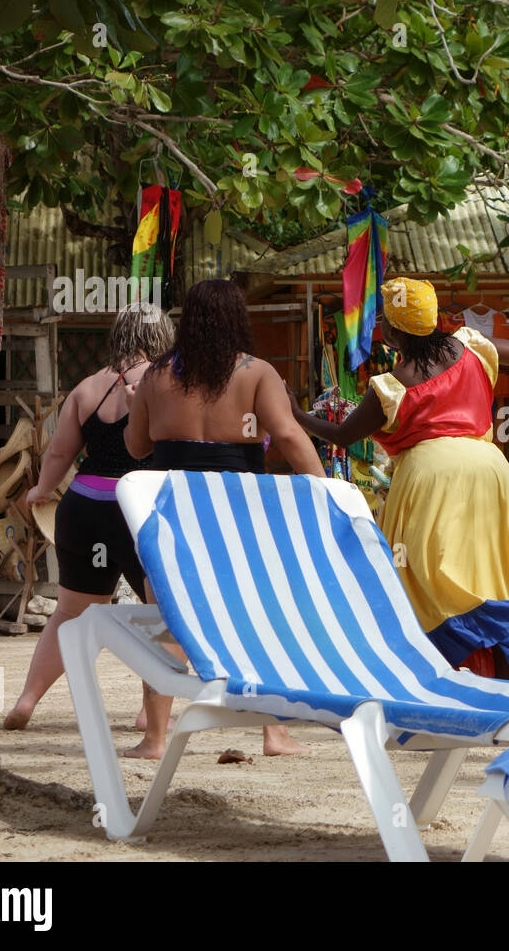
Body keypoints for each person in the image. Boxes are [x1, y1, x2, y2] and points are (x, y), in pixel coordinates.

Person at [288, 277, 509, 683]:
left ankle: (447, 674)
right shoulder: (473, 344)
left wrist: (294, 414)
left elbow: (340, 435)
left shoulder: (391, 385)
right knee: (492, 573)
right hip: (491, 472)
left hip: (432, 478)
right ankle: (498, 668)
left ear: (391, 330)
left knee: (431, 580)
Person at [124, 279, 326, 759]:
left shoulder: (155, 376)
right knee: (259, 617)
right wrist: (328, 489)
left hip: (172, 510)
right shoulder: (257, 373)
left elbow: (135, 447)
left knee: (165, 621)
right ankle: (274, 735)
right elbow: (290, 437)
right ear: (239, 318)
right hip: (239, 514)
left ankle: (154, 739)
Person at [3, 302, 173, 730]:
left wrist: (41, 490)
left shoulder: (86, 388)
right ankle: (149, 715)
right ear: (162, 337)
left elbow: (60, 451)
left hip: (82, 508)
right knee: (168, 614)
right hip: (137, 509)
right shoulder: (164, 383)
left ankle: (27, 699)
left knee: (69, 612)